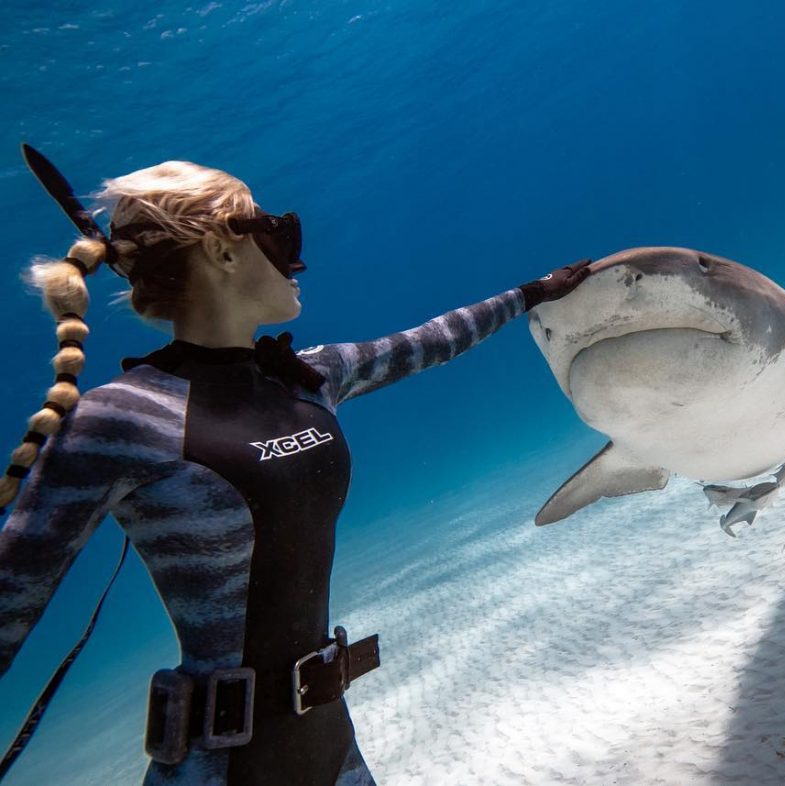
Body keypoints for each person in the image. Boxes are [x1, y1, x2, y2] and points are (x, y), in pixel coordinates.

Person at [0, 157, 590, 786]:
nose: (295, 260)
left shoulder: (307, 377)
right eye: (279, 236)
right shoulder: (117, 420)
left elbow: (431, 340)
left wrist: (536, 291)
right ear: (223, 252)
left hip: (334, 749)